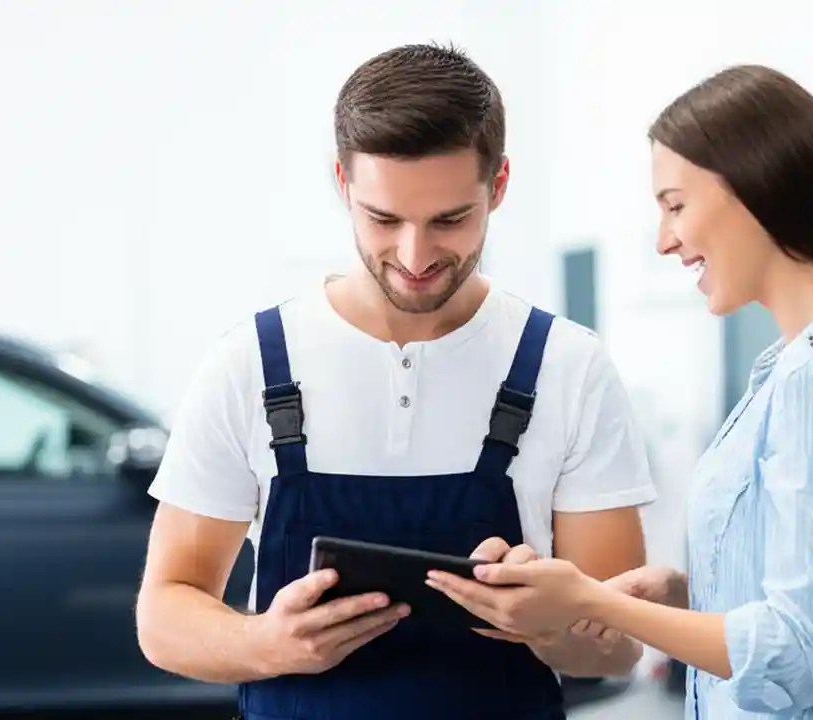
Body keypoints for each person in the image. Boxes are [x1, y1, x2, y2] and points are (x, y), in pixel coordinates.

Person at [134, 43, 659, 720]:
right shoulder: (251, 365)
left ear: (497, 187)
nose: (415, 257)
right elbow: (164, 614)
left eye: (450, 220)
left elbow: (618, 649)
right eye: (384, 220)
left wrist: (548, 625)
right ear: (343, 183)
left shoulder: (569, 367)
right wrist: (265, 642)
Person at [428, 64, 813, 719]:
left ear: (758, 188)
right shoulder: (802, 369)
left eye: (675, 205)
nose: (664, 240)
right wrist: (684, 593)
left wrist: (592, 602)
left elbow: (792, 653)